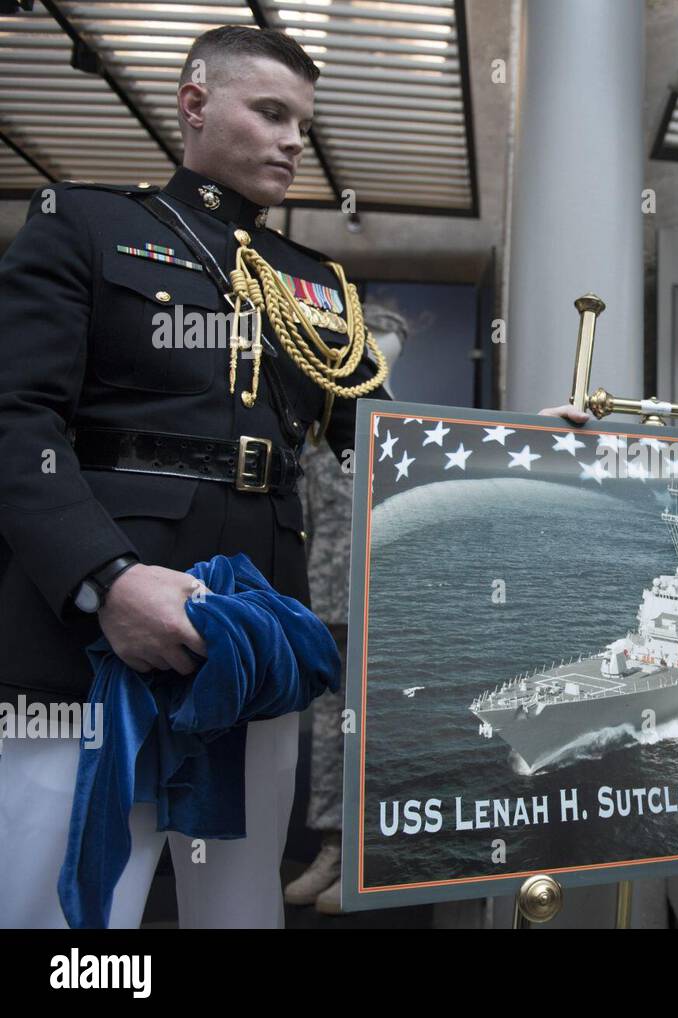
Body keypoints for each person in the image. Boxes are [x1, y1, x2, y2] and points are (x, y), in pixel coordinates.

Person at [0, 25, 388, 928]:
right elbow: (16, 418)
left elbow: (382, 438)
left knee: (239, 902)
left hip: (257, 633)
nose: (296, 140)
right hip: (88, 630)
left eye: (304, 121)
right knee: (61, 898)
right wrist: (107, 583)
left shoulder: (314, 283)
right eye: (271, 112)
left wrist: (542, 436)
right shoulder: (89, 224)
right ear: (194, 103)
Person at [286, 307, 405, 915]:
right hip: (326, 600)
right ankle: (332, 848)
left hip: (386, 603)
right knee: (330, 730)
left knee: (381, 732)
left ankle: (373, 856)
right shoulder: (317, 426)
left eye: (390, 354)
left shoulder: (413, 435)